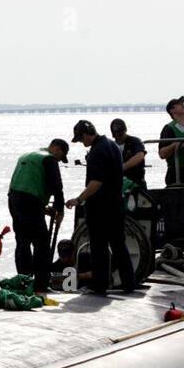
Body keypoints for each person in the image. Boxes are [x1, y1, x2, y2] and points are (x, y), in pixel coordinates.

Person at [66, 120, 135, 295]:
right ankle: (129, 283)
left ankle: (100, 284)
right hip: (116, 204)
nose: (82, 143)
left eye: (81, 139)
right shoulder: (111, 146)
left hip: (101, 207)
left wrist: (79, 199)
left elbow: (96, 182)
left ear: (85, 134)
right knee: (119, 244)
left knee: (99, 247)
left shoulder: (97, 151)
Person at [7, 139, 68, 295]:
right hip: (30, 202)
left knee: (23, 242)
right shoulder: (49, 158)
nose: (59, 160)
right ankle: (40, 284)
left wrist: (41, 208)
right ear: (56, 148)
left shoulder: (27, 155)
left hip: (14, 199)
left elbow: (25, 186)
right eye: (61, 156)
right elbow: (57, 187)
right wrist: (60, 211)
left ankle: (23, 280)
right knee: (41, 243)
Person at [110, 119, 147, 190]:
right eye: (116, 134)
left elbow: (140, 156)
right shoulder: (111, 146)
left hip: (135, 179)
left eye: (120, 133)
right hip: (118, 182)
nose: (119, 136)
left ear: (125, 131)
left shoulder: (135, 141)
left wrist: (122, 167)